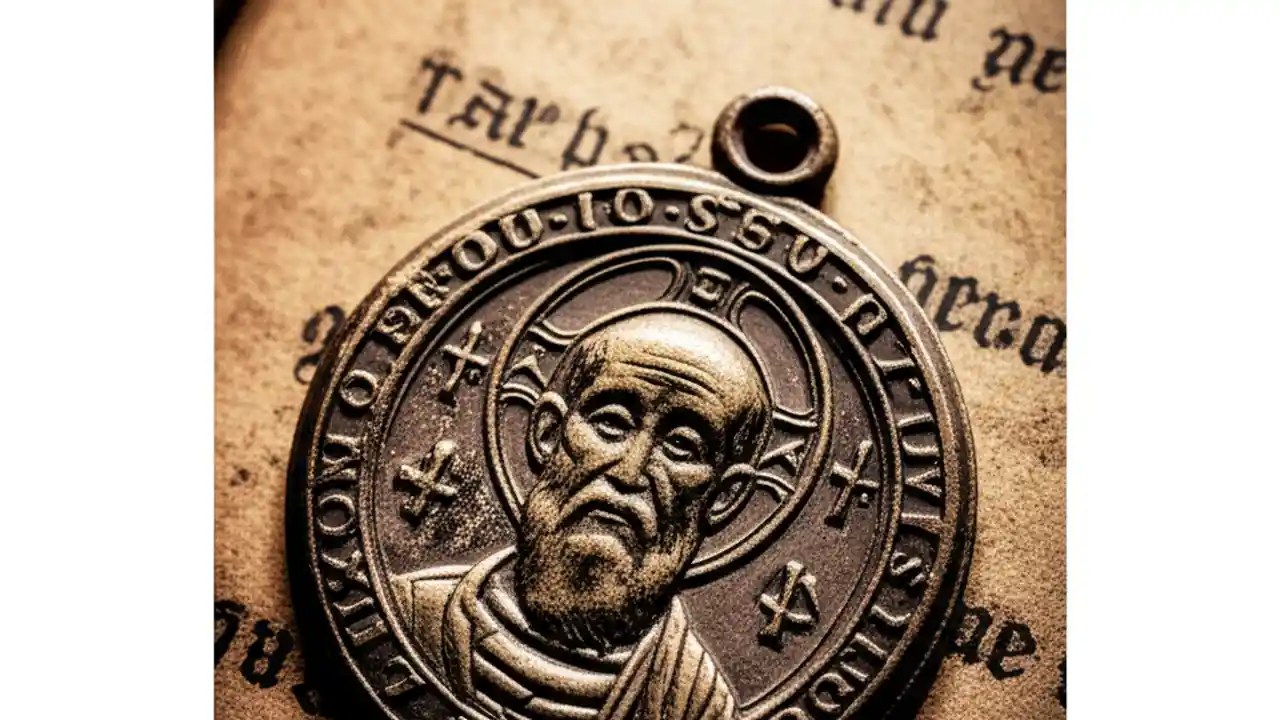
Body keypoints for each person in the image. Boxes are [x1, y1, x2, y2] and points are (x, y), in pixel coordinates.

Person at [392, 309, 774, 720]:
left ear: (724, 496)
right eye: (611, 422)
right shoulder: (409, 615)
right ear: (548, 434)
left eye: (681, 447)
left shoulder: (701, 708)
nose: (629, 472)